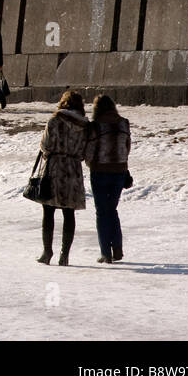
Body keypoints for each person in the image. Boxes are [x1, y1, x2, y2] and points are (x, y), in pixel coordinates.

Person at [32, 90, 89, 265]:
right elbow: (84, 152)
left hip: (54, 168)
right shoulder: (85, 125)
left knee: (48, 211)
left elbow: (45, 146)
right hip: (73, 170)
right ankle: (65, 255)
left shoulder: (55, 120)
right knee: (69, 212)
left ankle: (47, 252)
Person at [84, 94, 131, 264]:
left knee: (102, 212)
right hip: (119, 171)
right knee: (112, 209)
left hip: (100, 171)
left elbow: (89, 151)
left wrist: (91, 164)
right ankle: (117, 248)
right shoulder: (124, 123)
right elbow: (127, 147)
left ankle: (106, 252)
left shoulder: (95, 126)